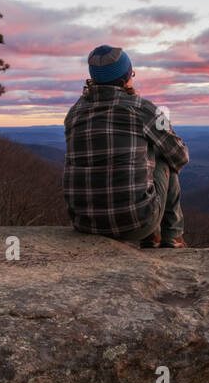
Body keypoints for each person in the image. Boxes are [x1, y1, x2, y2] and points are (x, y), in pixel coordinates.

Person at [63, 45, 189, 247]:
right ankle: (171, 239)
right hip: (136, 224)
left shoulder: (75, 112)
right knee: (164, 156)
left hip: (84, 222)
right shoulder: (143, 108)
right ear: (126, 78)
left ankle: (154, 239)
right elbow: (180, 155)